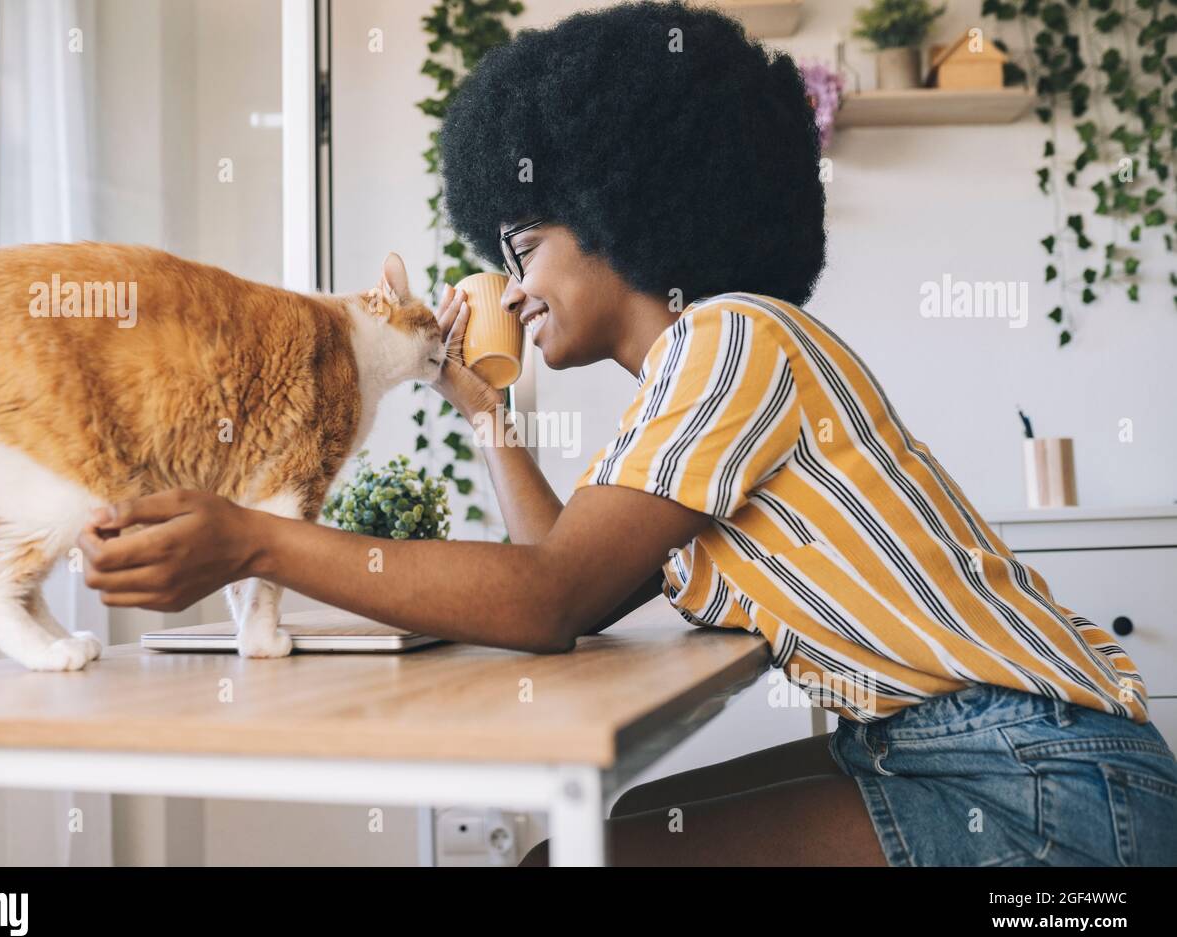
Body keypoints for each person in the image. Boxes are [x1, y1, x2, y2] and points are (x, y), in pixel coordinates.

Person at [78, 1, 1177, 866]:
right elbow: (573, 577)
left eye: (524, 247)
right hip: (977, 759)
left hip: (1046, 786)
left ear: (616, 214)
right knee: (596, 840)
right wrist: (488, 411)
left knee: (577, 860)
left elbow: (544, 597)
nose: (512, 286)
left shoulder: (735, 341)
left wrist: (253, 537)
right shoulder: (685, 400)